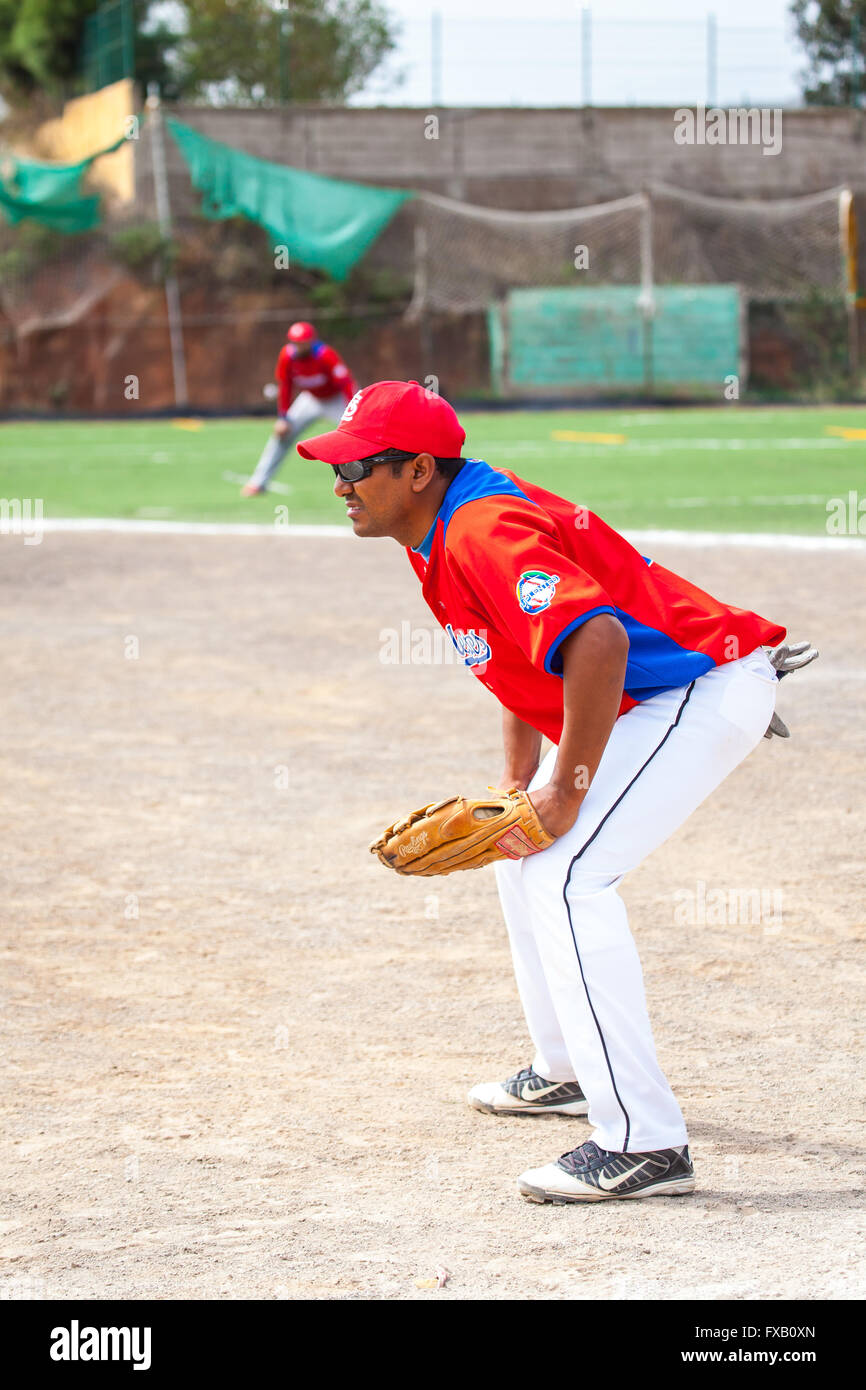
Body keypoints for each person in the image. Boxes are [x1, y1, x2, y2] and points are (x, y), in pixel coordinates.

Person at [297, 380, 798, 1204]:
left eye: (359, 467)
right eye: (337, 468)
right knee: (515, 844)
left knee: (567, 875)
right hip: (651, 695)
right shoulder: (435, 528)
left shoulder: (481, 529)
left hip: (691, 691)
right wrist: (518, 784)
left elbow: (594, 641)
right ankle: (566, 1067)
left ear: (419, 470)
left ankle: (644, 1143)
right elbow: (518, 659)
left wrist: (565, 790)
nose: (342, 485)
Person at [241, 321, 356, 496]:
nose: (298, 346)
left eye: (302, 342)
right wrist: (283, 418)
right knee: (281, 435)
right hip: (310, 399)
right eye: (295, 342)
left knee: (355, 436)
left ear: (311, 341)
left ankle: (362, 480)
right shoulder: (288, 356)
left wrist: (352, 411)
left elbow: (346, 384)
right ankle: (258, 483)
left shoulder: (325, 355)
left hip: (336, 400)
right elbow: (285, 386)